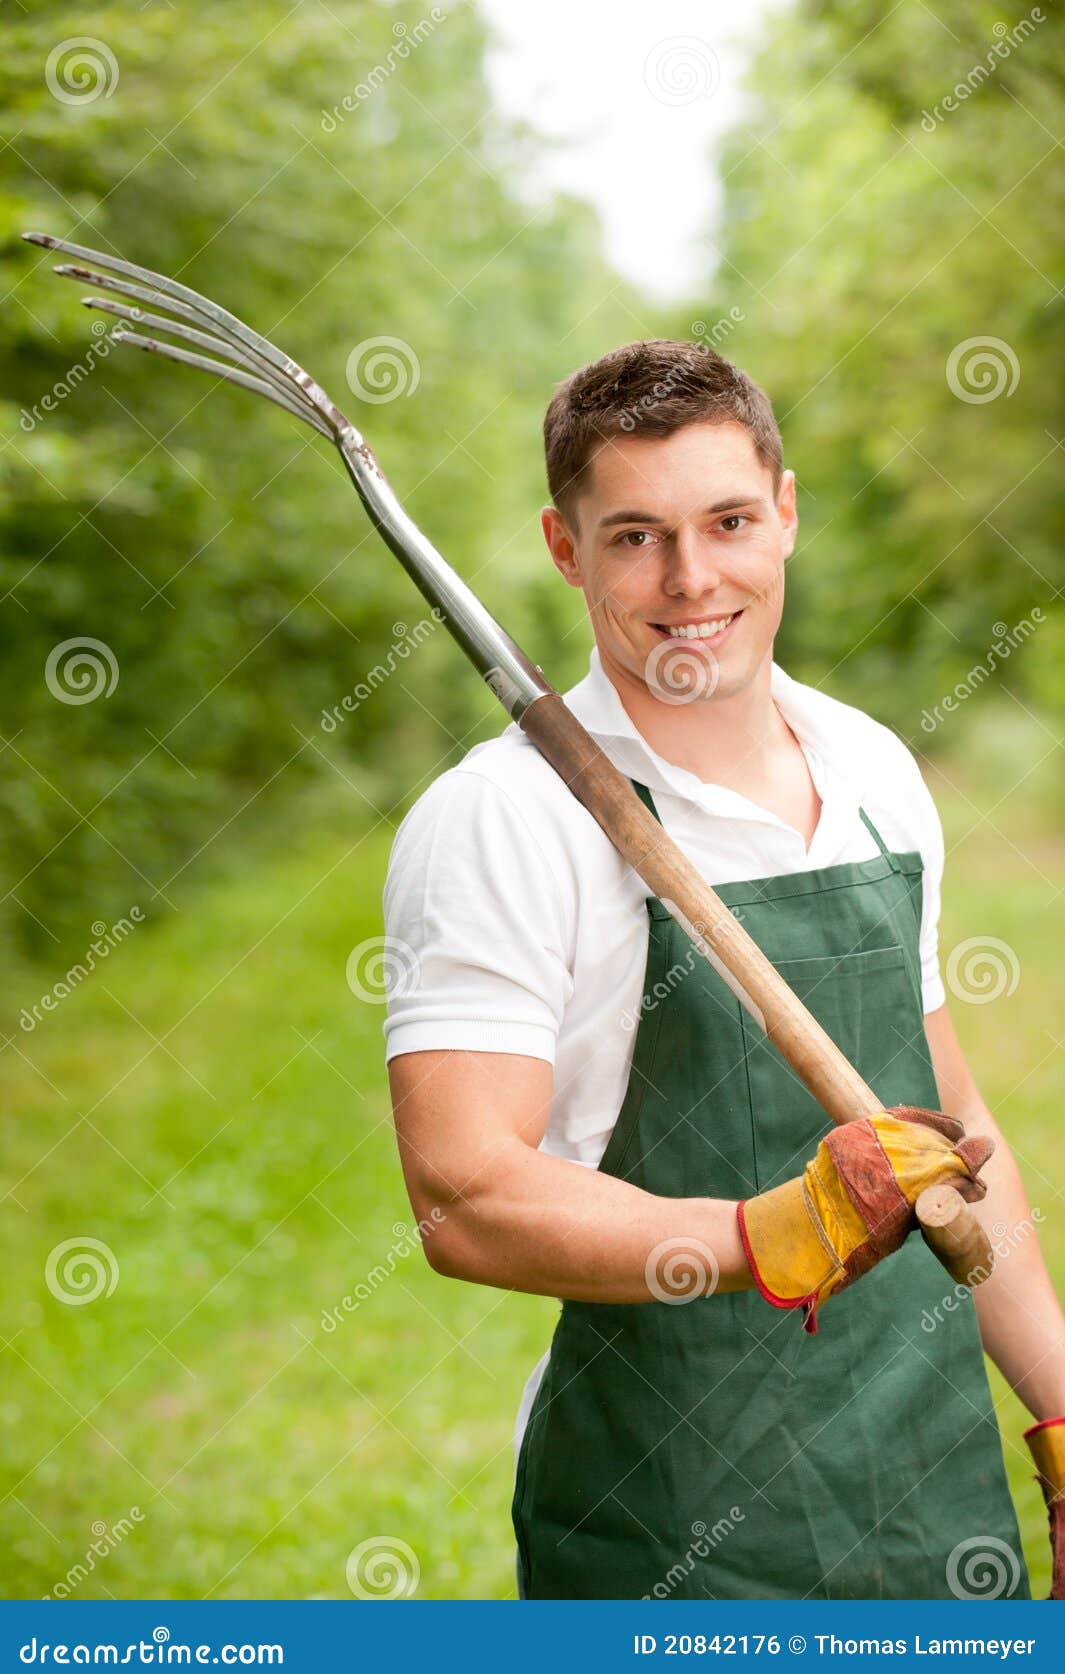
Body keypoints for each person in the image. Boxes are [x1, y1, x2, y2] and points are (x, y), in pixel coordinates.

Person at [383, 341, 1065, 1600]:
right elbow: (463, 1195)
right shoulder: (504, 819)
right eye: (636, 535)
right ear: (563, 546)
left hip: (930, 1506)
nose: (692, 578)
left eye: (729, 520)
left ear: (786, 512)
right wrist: (763, 1233)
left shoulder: (871, 774)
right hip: (669, 1529)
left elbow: (957, 1130)